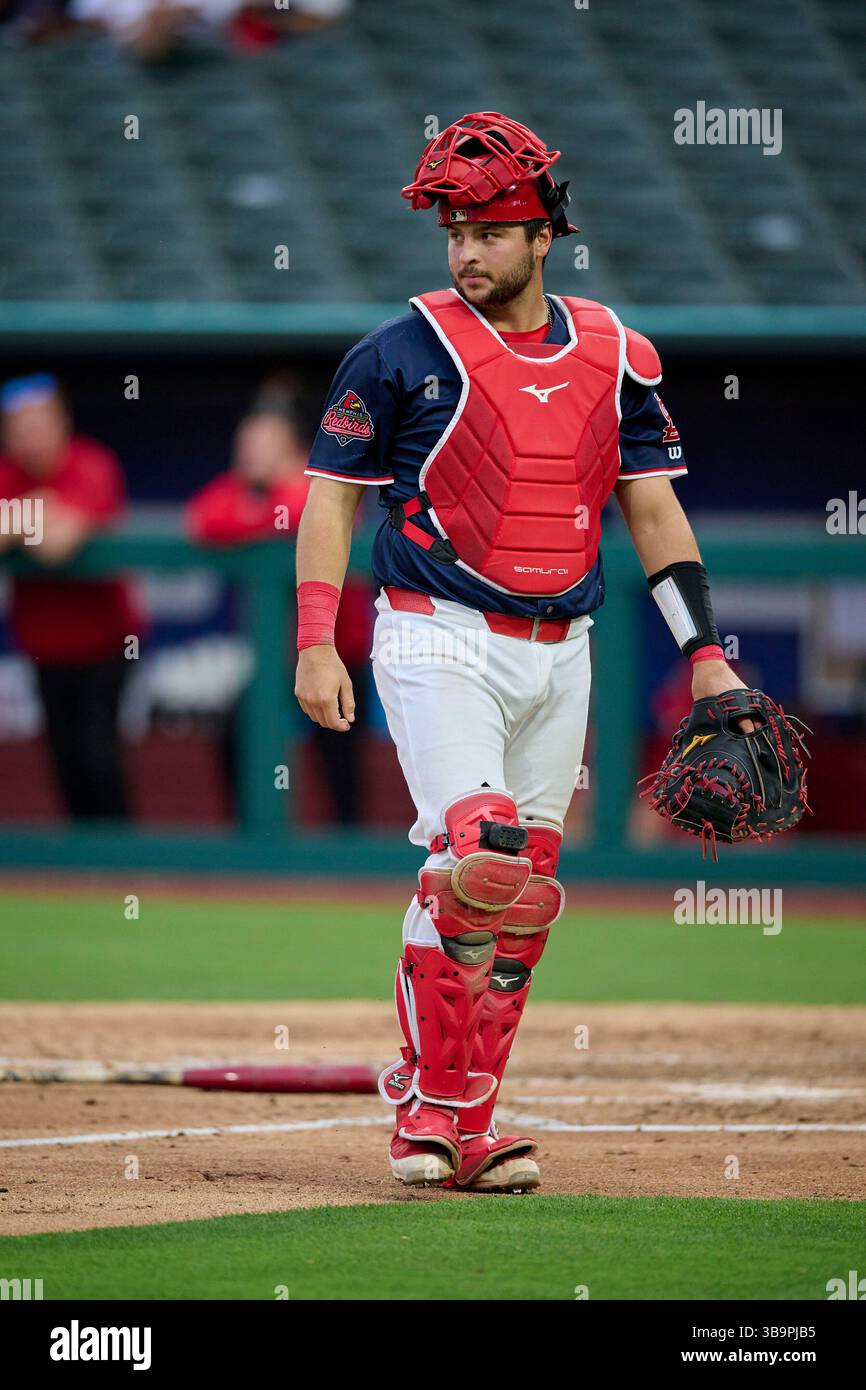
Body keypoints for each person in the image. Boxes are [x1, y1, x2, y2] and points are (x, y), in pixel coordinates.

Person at [294, 112, 751, 1192]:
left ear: (543, 233)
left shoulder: (612, 351)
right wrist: (318, 640)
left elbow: (651, 514)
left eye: (489, 231)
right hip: (433, 632)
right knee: (483, 851)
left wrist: (703, 655)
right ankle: (418, 1109)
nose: (465, 252)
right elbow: (327, 505)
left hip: (563, 649)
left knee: (526, 887)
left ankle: (467, 1124)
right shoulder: (399, 348)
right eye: (454, 230)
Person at [187, 404, 371, 823]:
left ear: (293, 450)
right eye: (246, 444)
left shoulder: (320, 485)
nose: (249, 453)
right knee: (237, 734)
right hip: (278, 657)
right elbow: (203, 518)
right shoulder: (246, 489)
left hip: (337, 651)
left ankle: (347, 854)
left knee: (340, 755)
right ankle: (249, 842)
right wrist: (260, 510)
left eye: (262, 444)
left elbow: (308, 512)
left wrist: (260, 510)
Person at [0, 374, 139, 818]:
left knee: (98, 755)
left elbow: (57, 545)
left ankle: (122, 862)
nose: (29, 437)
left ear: (61, 423)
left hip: (106, 645)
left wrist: (21, 520)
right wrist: (44, 510)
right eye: (18, 428)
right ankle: (83, 873)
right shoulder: (7, 472)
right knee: (65, 762)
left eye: (38, 425)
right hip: (43, 647)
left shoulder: (91, 462)